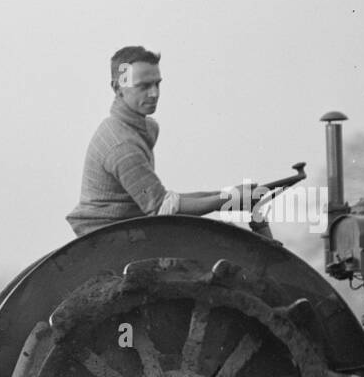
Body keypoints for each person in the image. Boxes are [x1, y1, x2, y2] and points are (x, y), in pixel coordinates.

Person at [66, 46, 267, 237]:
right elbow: (162, 207)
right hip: (108, 238)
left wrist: (226, 194)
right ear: (118, 88)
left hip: (130, 226)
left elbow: (165, 199)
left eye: (157, 84)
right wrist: (227, 200)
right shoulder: (122, 144)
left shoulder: (143, 128)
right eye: (144, 86)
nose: (154, 94)